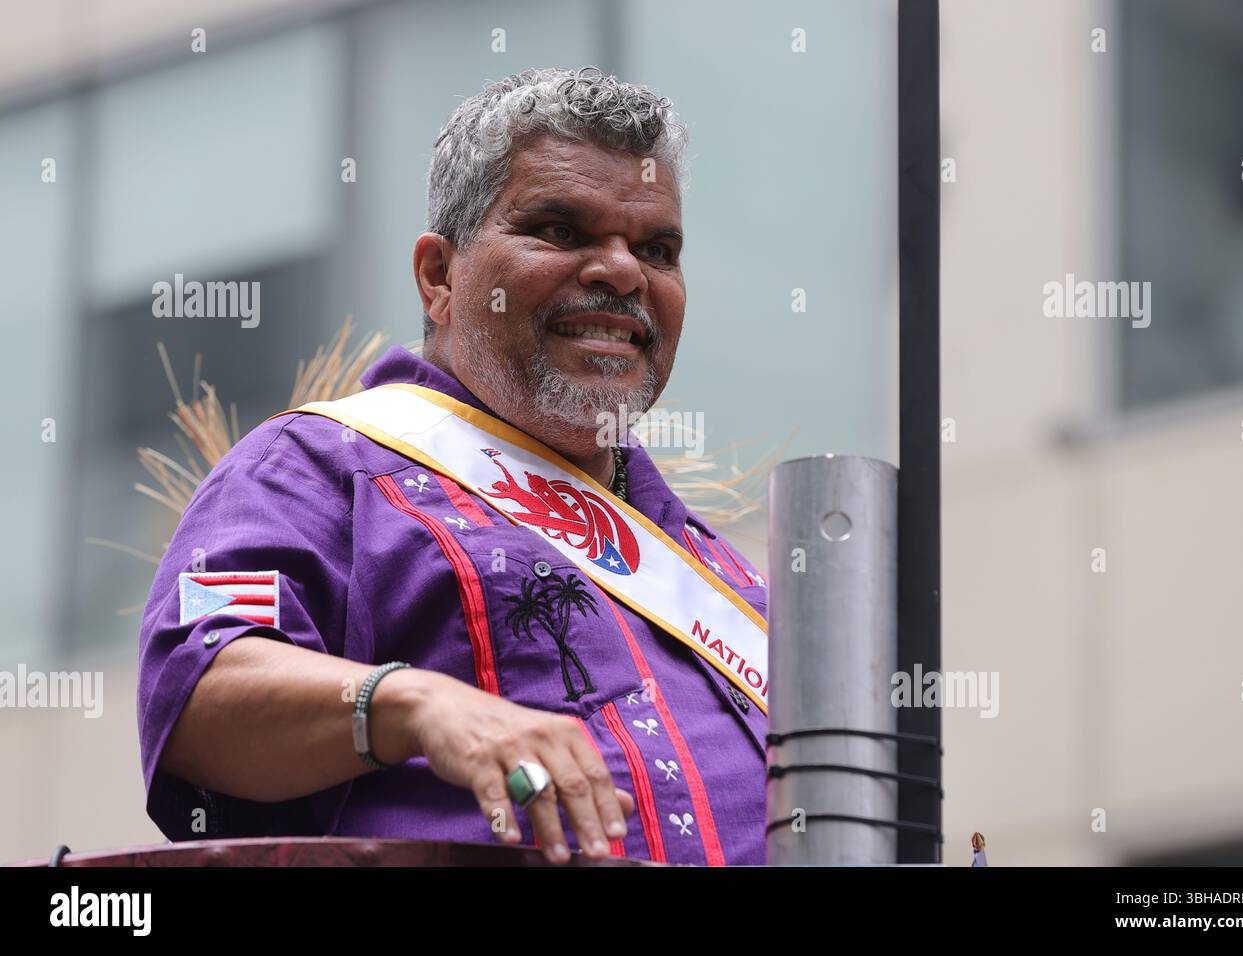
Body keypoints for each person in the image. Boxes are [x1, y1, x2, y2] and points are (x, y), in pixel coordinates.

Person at [137, 66, 770, 866]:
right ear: (440, 276)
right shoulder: (313, 468)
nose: (623, 271)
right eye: (562, 231)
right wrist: (415, 704)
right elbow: (194, 695)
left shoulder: (720, 579)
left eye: (657, 247)